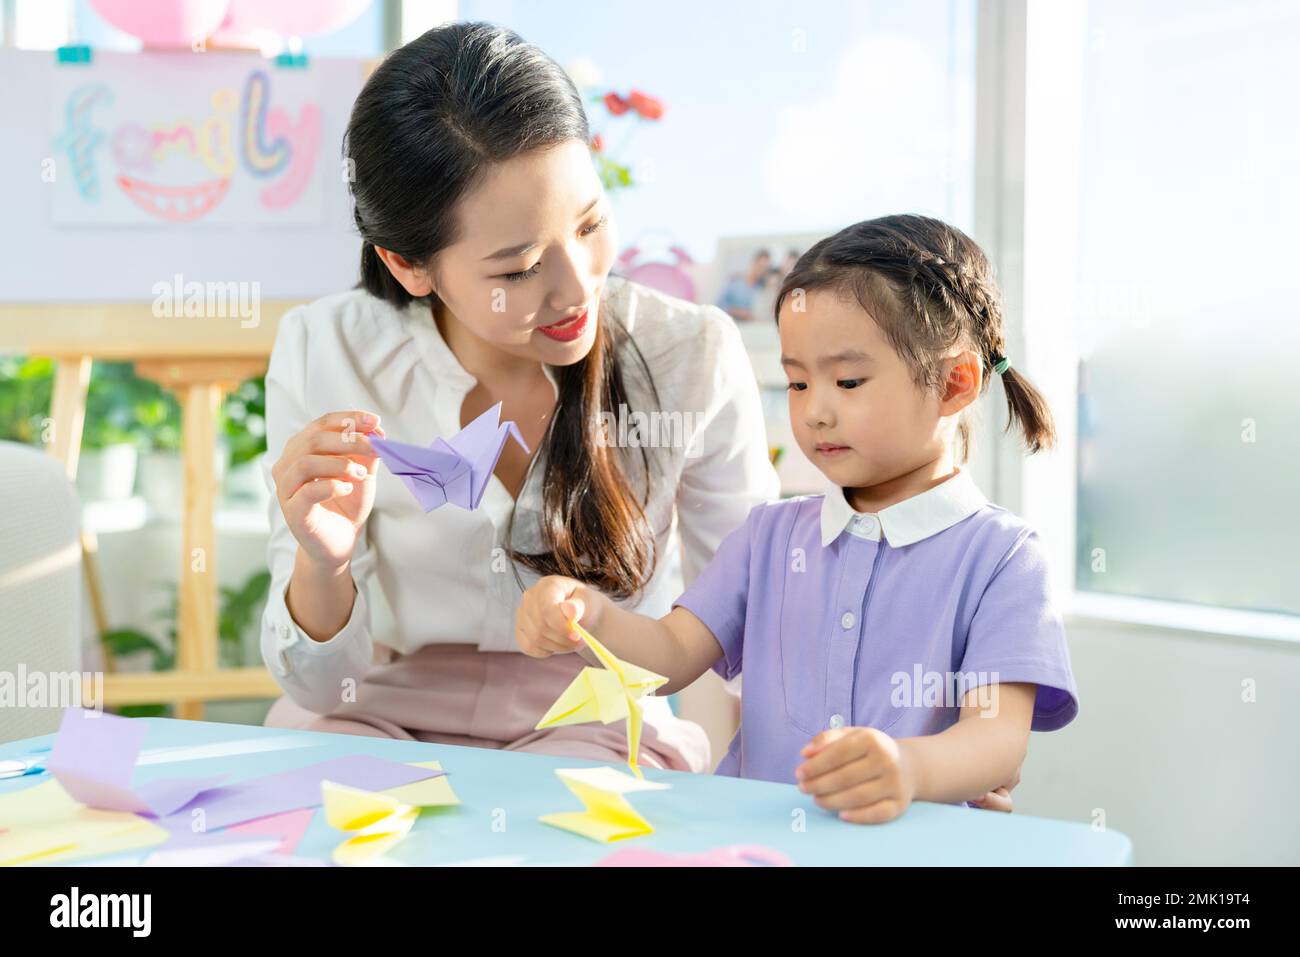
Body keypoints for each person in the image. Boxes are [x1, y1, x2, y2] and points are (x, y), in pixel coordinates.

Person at [516, 214, 1076, 821]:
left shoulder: (1002, 557)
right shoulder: (770, 535)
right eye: (798, 384)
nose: (814, 413)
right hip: (755, 844)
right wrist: (593, 615)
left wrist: (908, 770)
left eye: (848, 380)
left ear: (953, 382)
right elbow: (671, 657)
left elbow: (997, 742)